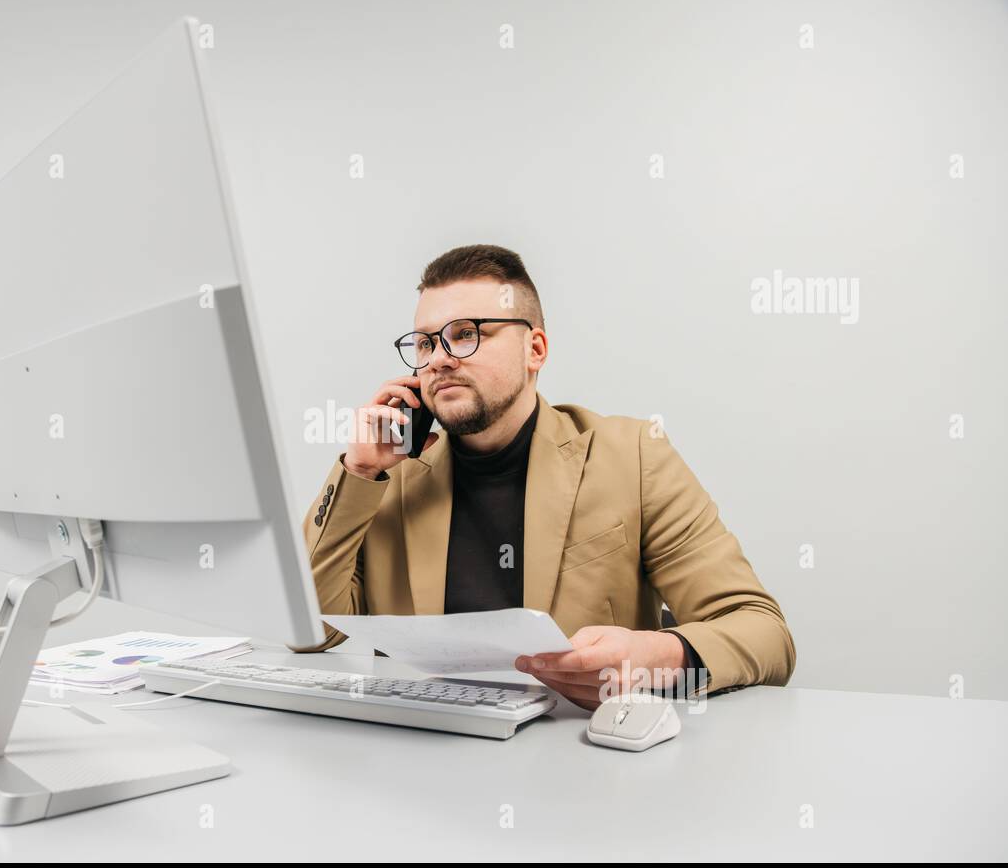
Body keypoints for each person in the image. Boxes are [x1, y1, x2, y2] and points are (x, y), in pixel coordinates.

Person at [297, 244, 795, 711]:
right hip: (419, 756)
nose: (439, 359)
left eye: (466, 334)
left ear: (534, 349)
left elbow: (765, 634)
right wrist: (358, 470)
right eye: (425, 343)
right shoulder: (388, 477)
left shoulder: (633, 455)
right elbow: (311, 630)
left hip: (581, 760)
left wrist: (660, 656)